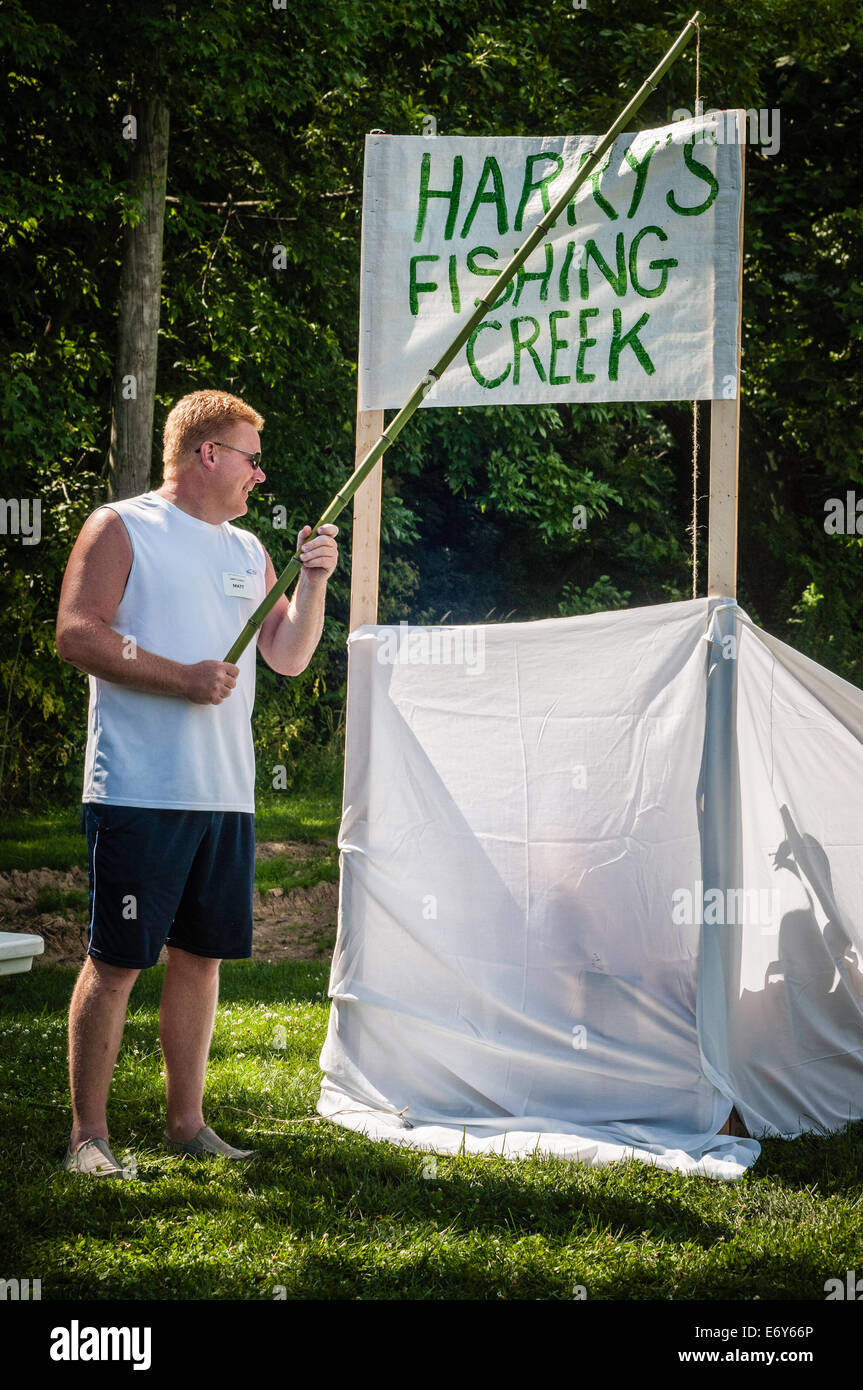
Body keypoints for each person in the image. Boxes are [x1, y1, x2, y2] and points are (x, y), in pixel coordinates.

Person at [55, 389, 338, 1176]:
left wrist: (312, 582)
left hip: (224, 792)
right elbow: (77, 632)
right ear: (207, 453)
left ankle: (186, 1125)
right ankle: (88, 1138)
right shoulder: (123, 525)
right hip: (138, 787)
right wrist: (179, 677)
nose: (260, 473)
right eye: (251, 456)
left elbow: (286, 655)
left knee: (201, 958)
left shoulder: (249, 552)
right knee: (116, 962)